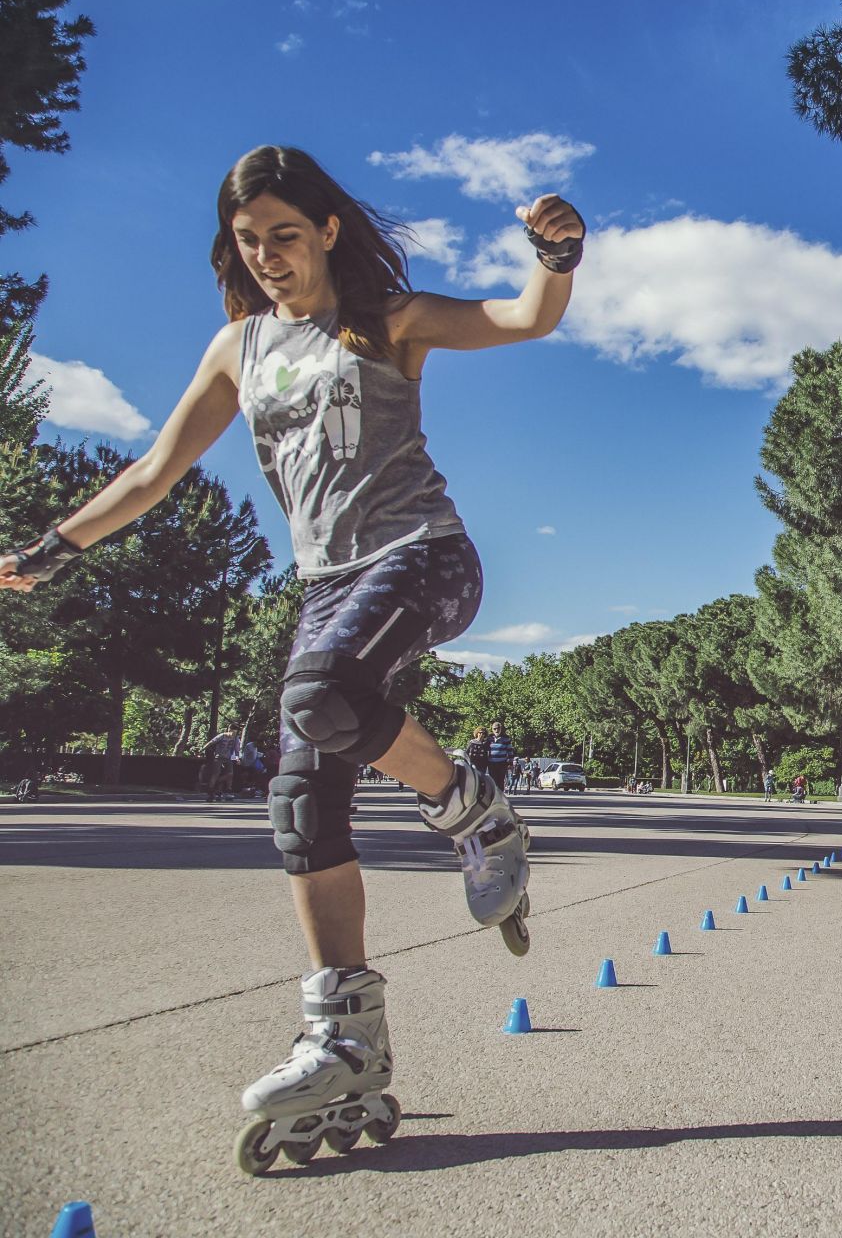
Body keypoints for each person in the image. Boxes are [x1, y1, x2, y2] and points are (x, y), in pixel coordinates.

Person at [1, 145, 581, 1171]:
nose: (267, 255)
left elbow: (524, 317)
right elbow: (153, 469)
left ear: (326, 229)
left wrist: (556, 255)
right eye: (247, 239)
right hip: (326, 587)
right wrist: (57, 547)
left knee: (320, 691)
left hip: (424, 559)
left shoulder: (390, 321)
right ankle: (345, 1037)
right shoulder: (239, 347)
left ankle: (476, 812)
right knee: (299, 798)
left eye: (283, 233)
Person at [485, 721, 516, 793]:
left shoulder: (506, 738)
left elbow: (510, 751)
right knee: (493, 781)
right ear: (492, 729)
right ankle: (494, 797)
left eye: (498, 728)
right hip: (491, 763)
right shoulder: (489, 738)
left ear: (501, 729)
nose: (496, 730)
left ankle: (500, 796)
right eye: (494, 729)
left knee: (500, 781)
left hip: (502, 763)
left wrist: (510, 763)